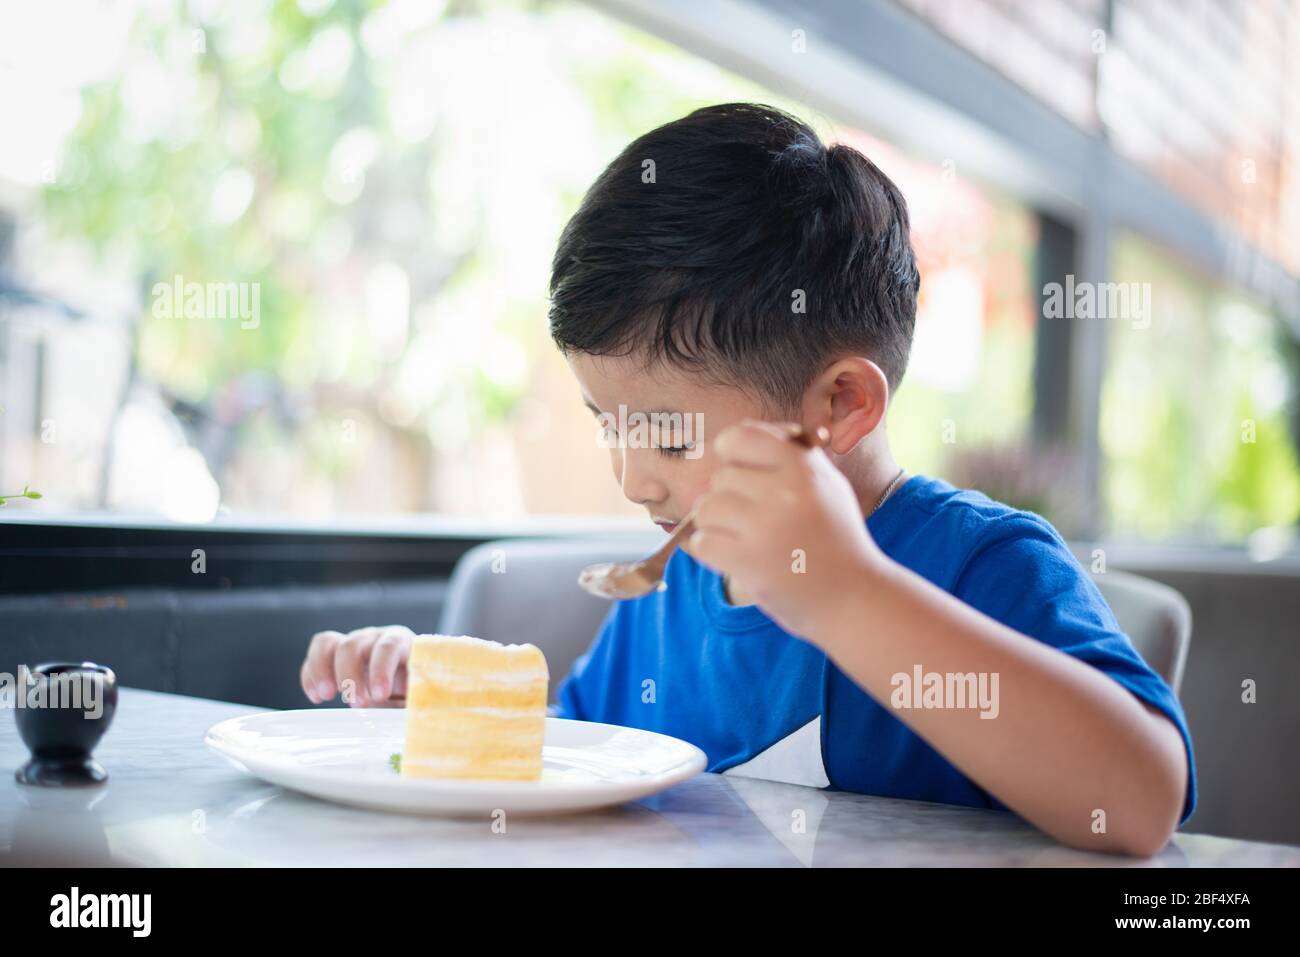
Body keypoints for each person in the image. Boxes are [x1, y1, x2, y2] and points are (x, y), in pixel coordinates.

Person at [299, 103, 1194, 856]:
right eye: (605, 424)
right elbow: (566, 766)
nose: (631, 479)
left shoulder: (981, 563)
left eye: (665, 436)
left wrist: (847, 590)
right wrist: (444, 705)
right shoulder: (664, 599)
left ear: (839, 402)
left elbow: (1141, 798)